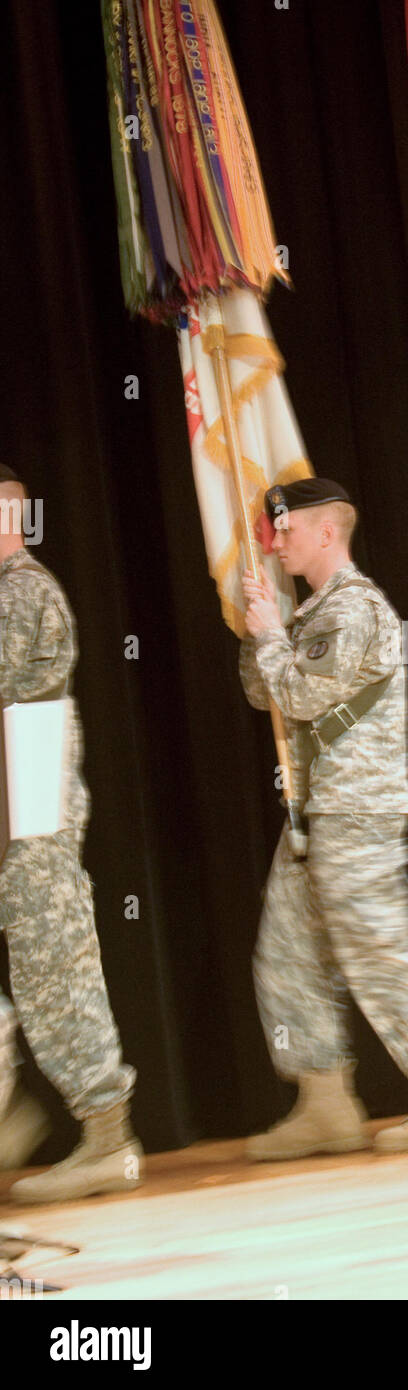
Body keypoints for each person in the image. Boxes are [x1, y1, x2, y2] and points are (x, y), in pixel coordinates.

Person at [239, 477, 408, 1156]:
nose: (275, 538)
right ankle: (326, 1103)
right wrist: (261, 627)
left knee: (377, 949)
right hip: (318, 811)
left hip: (357, 806)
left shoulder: (354, 609)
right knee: (288, 954)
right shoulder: (312, 611)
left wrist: (270, 638)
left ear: (327, 531)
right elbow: (265, 694)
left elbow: (300, 693)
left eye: (286, 528)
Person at [0, 464, 141, 1200]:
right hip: (12, 786)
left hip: (30, 788)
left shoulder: (24, 590)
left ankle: (108, 1136)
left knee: (55, 968)